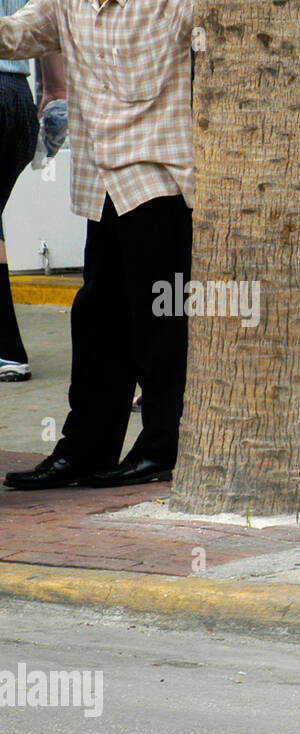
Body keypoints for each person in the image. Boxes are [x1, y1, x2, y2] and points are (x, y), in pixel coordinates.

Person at [1, 0, 195, 490]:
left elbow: (223, 49)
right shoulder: (69, 1)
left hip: (159, 178)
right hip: (98, 182)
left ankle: (162, 448)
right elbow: (15, 35)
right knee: (97, 320)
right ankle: (84, 449)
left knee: (161, 322)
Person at [0, 0, 60, 383]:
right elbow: (50, 36)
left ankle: (8, 352)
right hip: (17, 94)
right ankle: (7, 351)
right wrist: (55, 97)